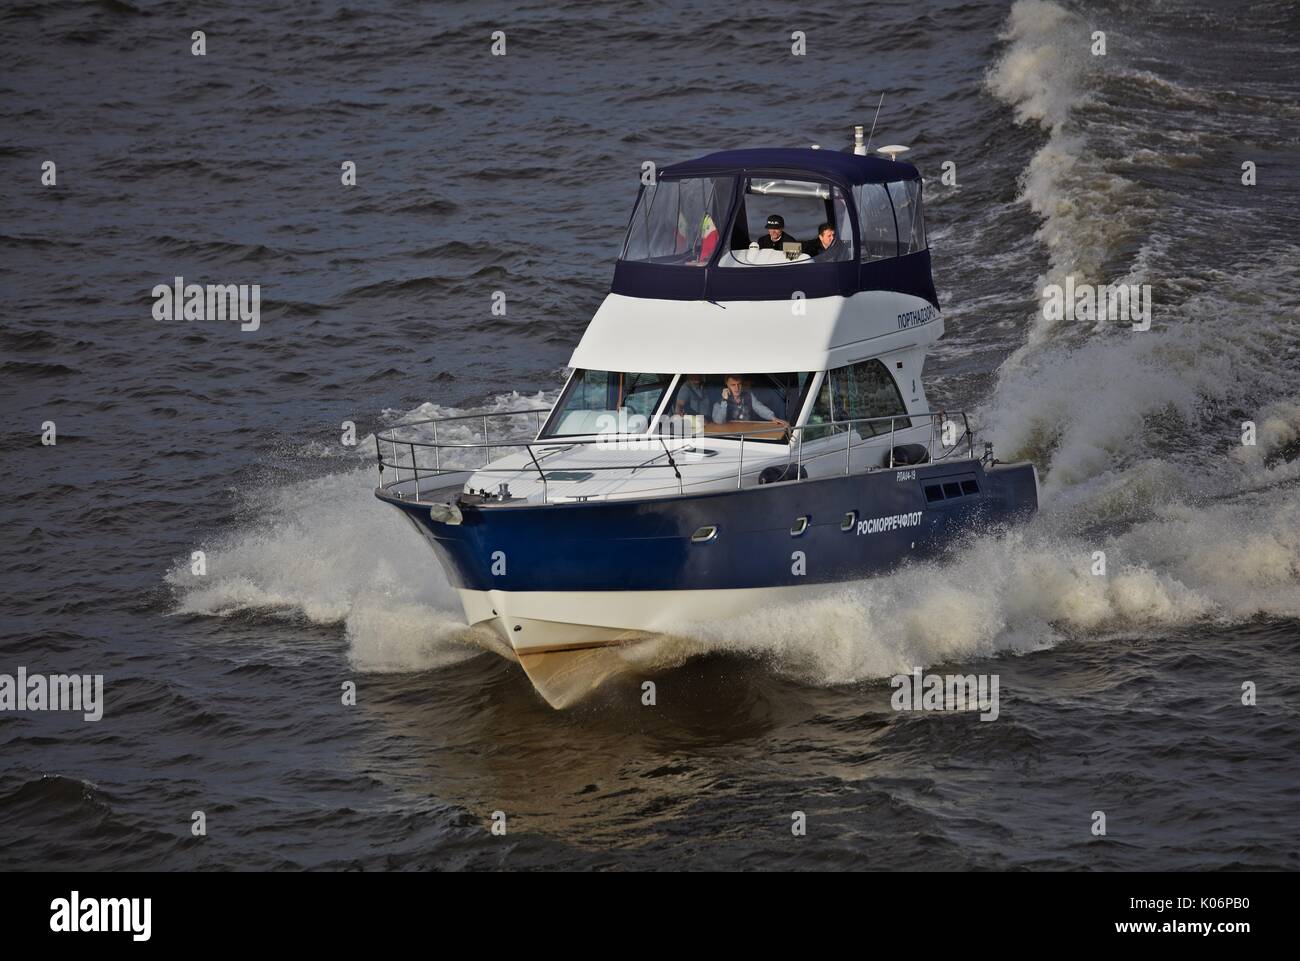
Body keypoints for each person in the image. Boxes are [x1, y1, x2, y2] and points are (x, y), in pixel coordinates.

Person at [712, 375, 788, 426]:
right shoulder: (720, 401)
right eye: (733, 385)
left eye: (739, 384)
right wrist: (724, 400)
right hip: (730, 435)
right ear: (727, 385)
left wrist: (772, 417)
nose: (737, 388)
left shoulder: (748, 395)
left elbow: (759, 407)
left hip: (747, 433)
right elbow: (719, 421)